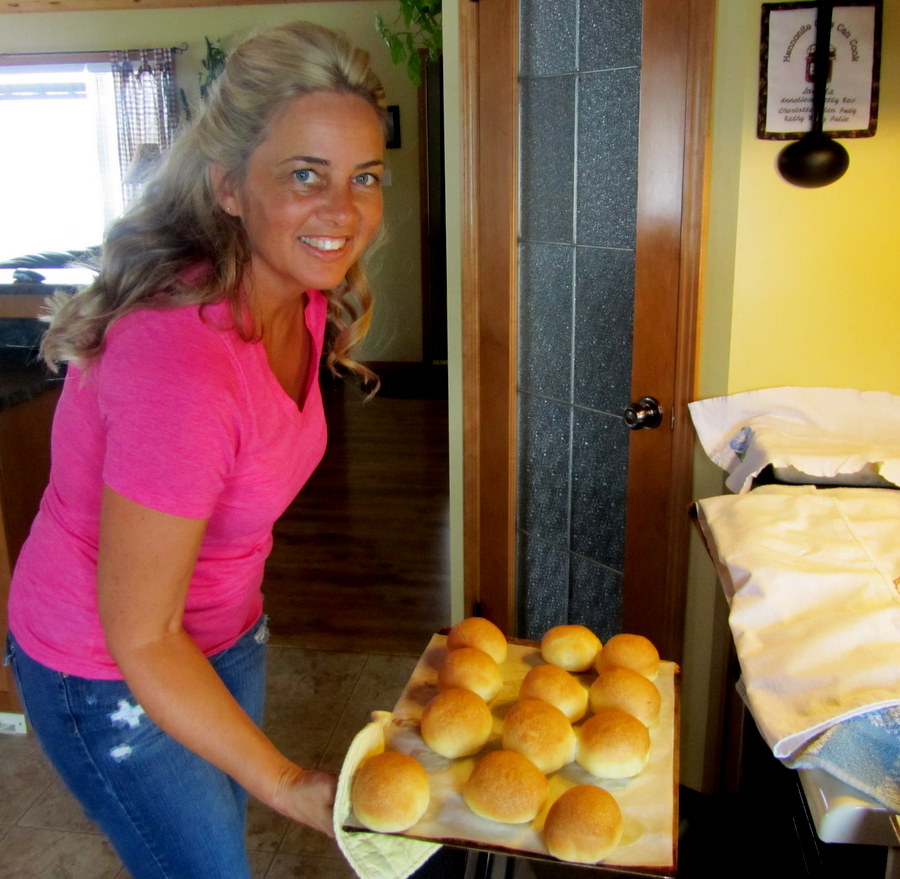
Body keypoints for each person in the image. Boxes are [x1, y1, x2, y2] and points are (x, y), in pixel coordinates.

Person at [5, 20, 387, 879]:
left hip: (219, 629)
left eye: (365, 177)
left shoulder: (302, 288)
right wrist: (288, 782)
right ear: (227, 188)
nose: (346, 210)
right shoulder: (181, 362)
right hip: (106, 663)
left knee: (210, 838)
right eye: (304, 175)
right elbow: (141, 633)